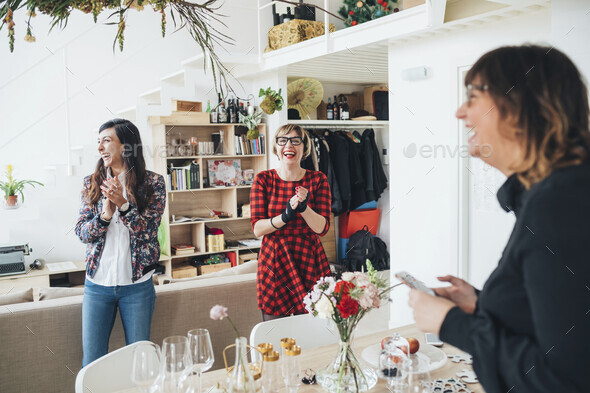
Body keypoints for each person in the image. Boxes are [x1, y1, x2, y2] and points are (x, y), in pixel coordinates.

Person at [408, 45, 590, 392]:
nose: (460, 111)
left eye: (473, 96)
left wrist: (450, 323)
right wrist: (481, 303)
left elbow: (564, 380)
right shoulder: (557, 194)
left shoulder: (558, 204)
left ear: (522, 107)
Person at [75, 119, 166, 366]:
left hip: (137, 287)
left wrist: (124, 206)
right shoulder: (90, 182)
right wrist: (105, 216)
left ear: (126, 146)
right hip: (97, 286)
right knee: (91, 362)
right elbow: (83, 233)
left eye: (106, 140)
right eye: (99, 141)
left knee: (140, 361)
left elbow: (148, 232)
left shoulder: (153, 184)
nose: (100, 147)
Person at [250, 124, 332, 321]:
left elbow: (322, 228)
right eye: (283, 140)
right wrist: (285, 216)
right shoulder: (263, 179)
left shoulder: (318, 180)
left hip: (310, 259)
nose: (289, 145)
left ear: (304, 148)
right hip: (275, 260)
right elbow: (257, 229)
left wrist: (303, 208)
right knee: (276, 331)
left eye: (296, 141)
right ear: (276, 148)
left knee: (315, 327)